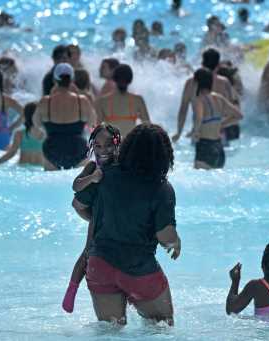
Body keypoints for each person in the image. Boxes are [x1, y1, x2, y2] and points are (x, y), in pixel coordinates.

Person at [72, 123, 180, 326]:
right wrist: (175, 242)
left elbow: (78, 204)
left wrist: (102, 220)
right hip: (139, 270)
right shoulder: (162, 188)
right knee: (161, 326)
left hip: (100, 266)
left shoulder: (103, 175)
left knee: (109, 331)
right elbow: (165, 236)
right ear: (164, 155)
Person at [62, 123, 122, 313]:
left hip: (115, 216)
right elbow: (75, 185)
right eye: (97, 146)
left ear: (117, 144)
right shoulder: (92, 166)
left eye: (108, 145)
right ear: (92, 147)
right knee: (88, 251)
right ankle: (72, 288)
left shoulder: (122, 165)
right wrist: (92, 178)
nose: (103, 150)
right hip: (97, 215)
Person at [35, 63, 95, 171]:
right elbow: (93, 123)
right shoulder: (82, 101)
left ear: (54, 80)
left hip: (52, 148)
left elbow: (37, 123)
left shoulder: (45, 101)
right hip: (78, 148)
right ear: (72, 80)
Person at [172, 48, 238, 143]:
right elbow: (232, 110)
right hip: (219, 132)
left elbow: (183, 109)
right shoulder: (224, 82)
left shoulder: (191, 83)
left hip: (198, 133)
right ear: (218, 65)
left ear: (202, 63)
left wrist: (178, 132)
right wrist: (220, 124)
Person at [192, 69, 243, 169]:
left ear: (197, 82)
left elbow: (199, 118)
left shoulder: (199, 100)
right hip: (219, 149)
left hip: (205, 146)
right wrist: (221, 124)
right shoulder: (219, 98)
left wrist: (196, 132)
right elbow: (238, 115)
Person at [95, 64, 150, 137]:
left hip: (112, 146)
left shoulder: (102, 101)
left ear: (114, 79)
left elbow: (98, 131)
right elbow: (148, 127)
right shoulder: (138, 100)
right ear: (130, 80)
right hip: (130, 145)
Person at [0, 102, 45, 166]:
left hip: (36, 170)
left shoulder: (46, 135)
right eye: (39, 114)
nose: (42, 115)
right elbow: (12, 153)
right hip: (24, 169)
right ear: (30, 115)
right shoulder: (20, 134)